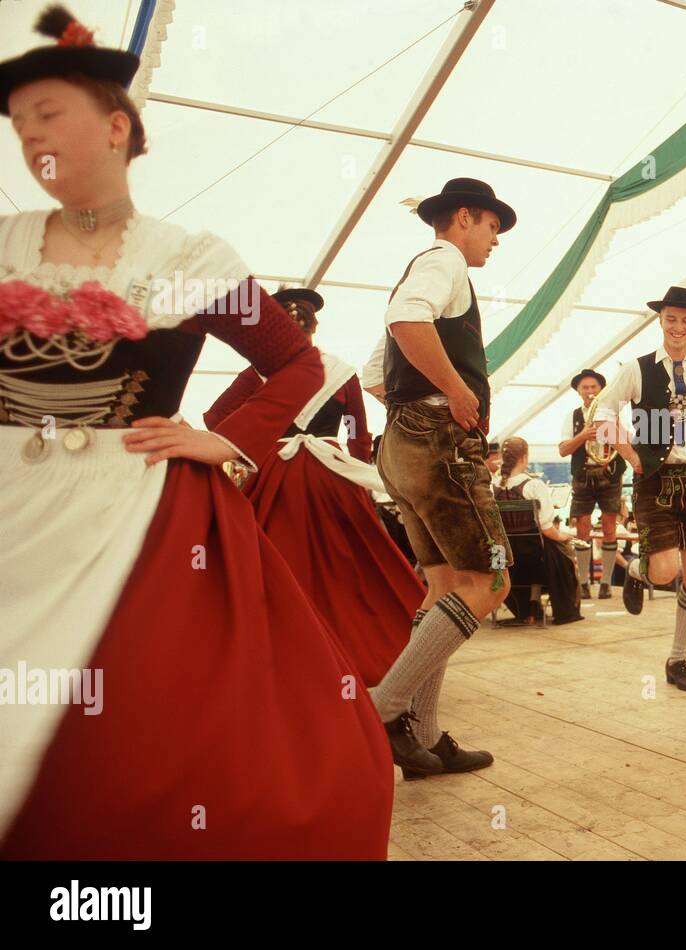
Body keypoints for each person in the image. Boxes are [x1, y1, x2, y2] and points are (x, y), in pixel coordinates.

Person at [0, 6, 391, 857]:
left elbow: (298, 363)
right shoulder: (1, 245)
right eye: (19, 124)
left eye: (49, 114)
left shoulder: (189, 257)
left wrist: (231, 439)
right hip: (9, 497)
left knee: (132, 733)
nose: (32, 139)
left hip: (131, 499)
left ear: (116, 126)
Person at [369, 177, 518, 780]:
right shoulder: (445, 261)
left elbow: (375, 374)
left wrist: (415, 408)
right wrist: (452, 393)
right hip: (437, 443)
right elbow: (405, 321)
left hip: (401, 444)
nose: (495, 241)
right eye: (491, 227)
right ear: (463, 217)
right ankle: (385, 709)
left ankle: (426, 740)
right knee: (491, 582)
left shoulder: (419, 268)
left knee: (443, 588)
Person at [204, 288, 422, 686]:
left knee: (269, 561)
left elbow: (215, 417)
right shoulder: (340, 371)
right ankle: (367, 654)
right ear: (313, 327)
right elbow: (358, 429)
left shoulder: (257, 373)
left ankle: (275, 659)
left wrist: (253, 447)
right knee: (351, 564)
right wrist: (356, 472)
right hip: (330, 474)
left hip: (274, 473)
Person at [597, 285, 686, 692]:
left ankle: (678, 660)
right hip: (653, 481)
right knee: (664, 571)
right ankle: (639, 574)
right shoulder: (637, 368)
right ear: (660, 320)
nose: (678, 327)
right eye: (671, 319)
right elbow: (603, 411)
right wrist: (630, 455)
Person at [494, 436, 583, 625]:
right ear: (524, 458)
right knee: (563, 553)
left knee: (518, 555)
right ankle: (544, 605)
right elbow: (547, 529)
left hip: (503, 556)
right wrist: (564, 535)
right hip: (533, 553)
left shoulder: (492, 486)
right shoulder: (534, 486)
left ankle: (527, 608)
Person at [559, 369, 627, 600]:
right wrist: (583, 436)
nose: (589, 392)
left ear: (601, 390)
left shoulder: (614, 414)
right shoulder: (573, 416)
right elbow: (562, 450)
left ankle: (606, 582)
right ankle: (584, 582)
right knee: (582, 528)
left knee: (610, 527)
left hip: (610, 475)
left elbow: (628, 441)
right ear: (578, 392)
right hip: (583, 475)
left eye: (593, 387)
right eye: (585, 388)